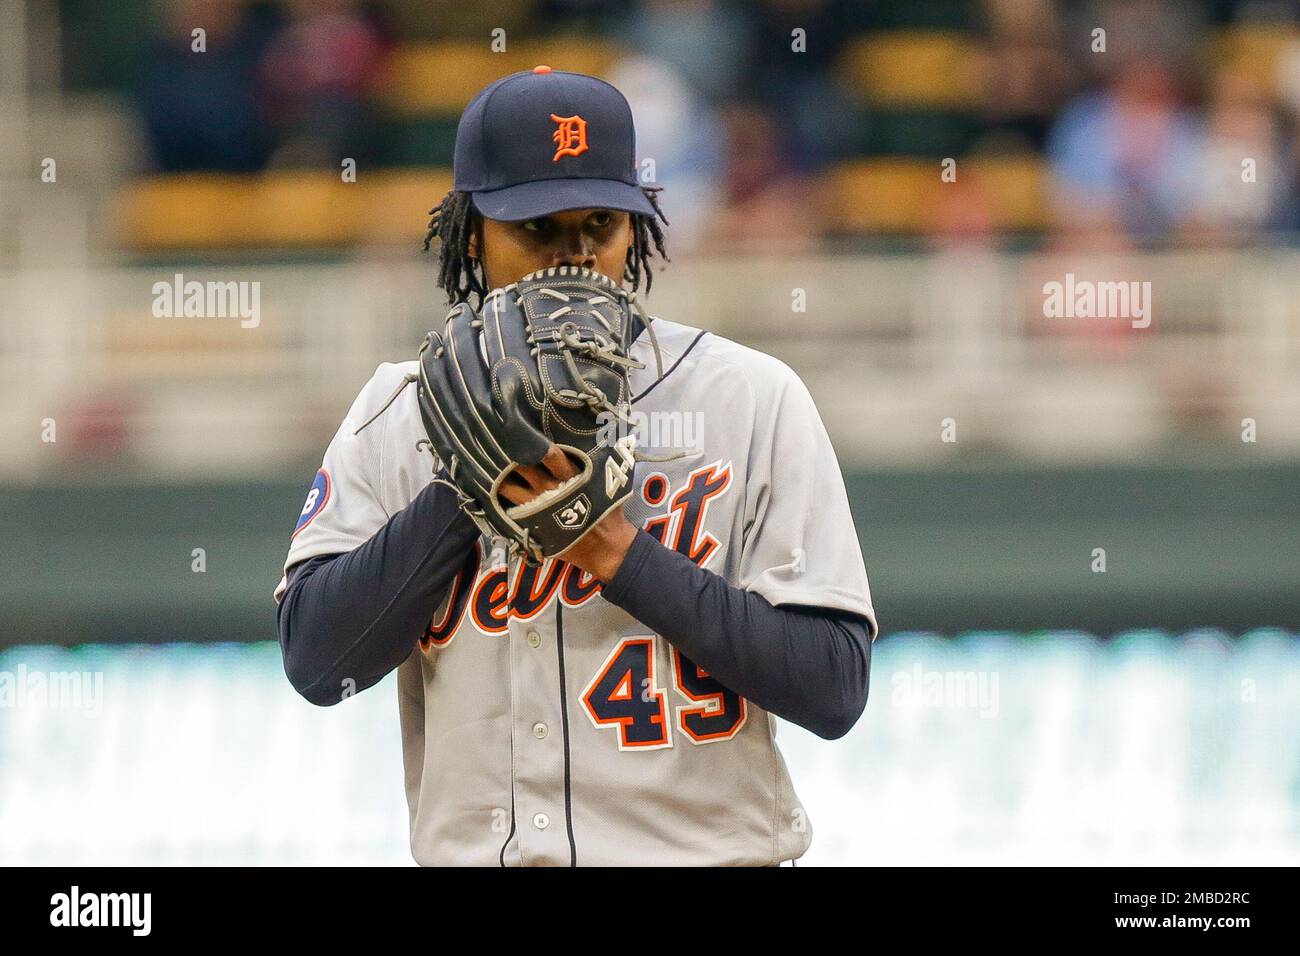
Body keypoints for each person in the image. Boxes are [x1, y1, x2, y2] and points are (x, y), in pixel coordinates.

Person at [274, 66, 876, 866]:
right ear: (471, 231)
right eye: (539, 228)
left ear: (639, 225)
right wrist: (469, 480)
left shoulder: (749, 399)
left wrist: (613, 553)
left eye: (601, 223)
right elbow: (320, 663)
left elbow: (831, 688)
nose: (576, 257)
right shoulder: (398, 411)